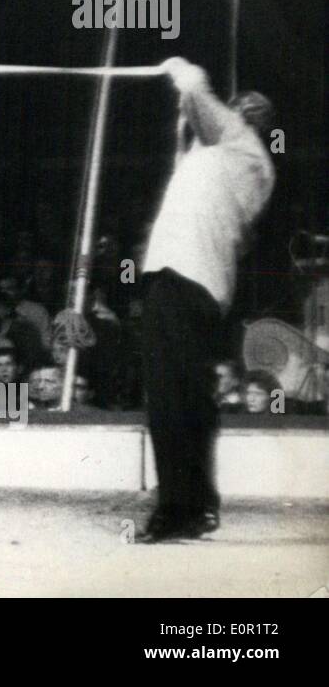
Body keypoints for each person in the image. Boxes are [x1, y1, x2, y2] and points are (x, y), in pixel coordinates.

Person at [139, 57, 275, 542]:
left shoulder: (239, 144)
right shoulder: (228, 159)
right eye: (243, 104)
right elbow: (194, 136)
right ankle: (193, 505)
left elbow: (198, 93)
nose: (246, 109)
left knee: (171, 394)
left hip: (184, 274)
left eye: (253, 109)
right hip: (196, 278)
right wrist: (185, 116)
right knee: (184, 394)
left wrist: (182, 69)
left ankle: (182, 507)